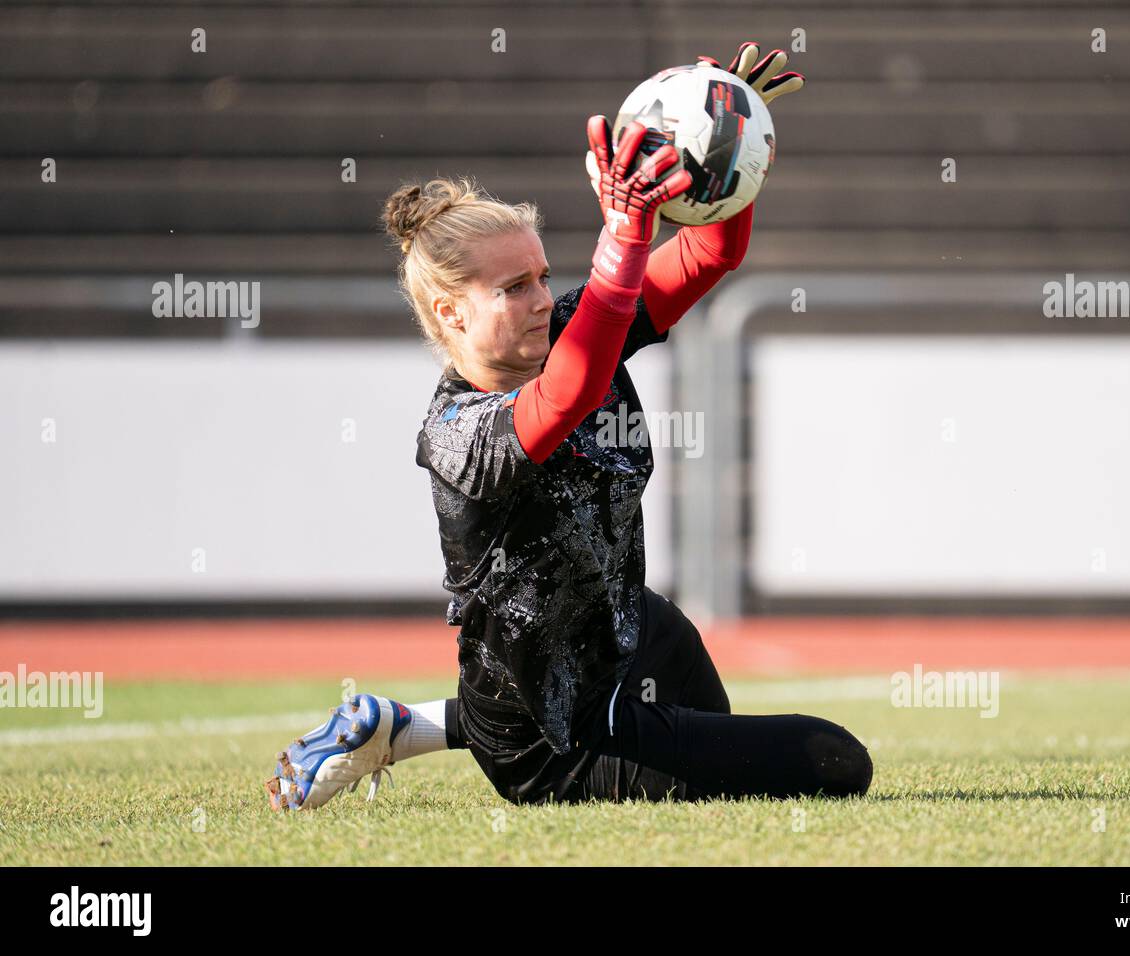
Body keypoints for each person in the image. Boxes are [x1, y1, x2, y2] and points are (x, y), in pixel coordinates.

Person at [265, 42, 872, 810]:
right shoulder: (459, 429)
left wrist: (726, 154)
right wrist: (623, 233)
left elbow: (710, 256)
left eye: (544, 277)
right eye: (513, 287)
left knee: (705, 715)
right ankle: (442, 733)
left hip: (621, 632)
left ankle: (399, 725)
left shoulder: (568, 326)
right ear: (450, 313)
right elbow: (572, 390)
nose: (542, 298)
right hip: (550, 740)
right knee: (835, 763)